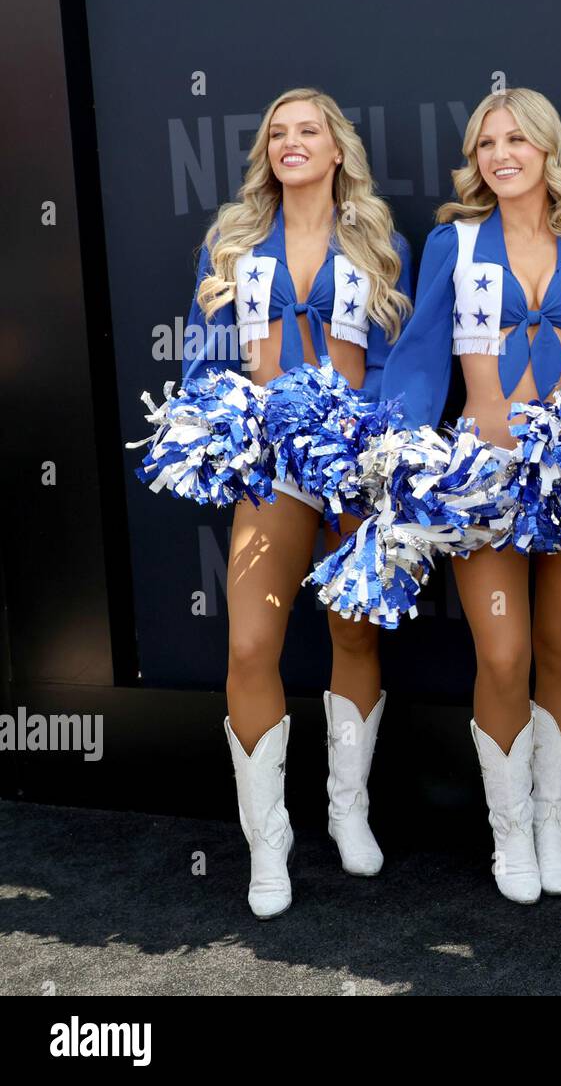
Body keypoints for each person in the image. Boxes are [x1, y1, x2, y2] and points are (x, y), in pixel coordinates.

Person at [380, 88, 561, 904]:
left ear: (549, 149)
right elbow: (418, 358)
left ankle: (555, 822)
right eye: (488, 143)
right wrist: (404, 445)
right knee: (503, 653)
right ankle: (510, 831)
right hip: (482, 473)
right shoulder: (453, 241)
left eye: (518, 139)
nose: (501, 154)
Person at [183, 87, 412, 918]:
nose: (291, 143)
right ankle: (267, 843)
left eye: (307, 130)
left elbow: (400, 358)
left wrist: (372, 440)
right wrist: (222, 418)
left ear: (338, 148)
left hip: (352, 460)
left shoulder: (381, 242)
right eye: (277, 133)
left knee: (352, 633)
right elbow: (203, 356)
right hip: (272, 462)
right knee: (251, 645)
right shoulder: (232, 241)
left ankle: (347, 811)